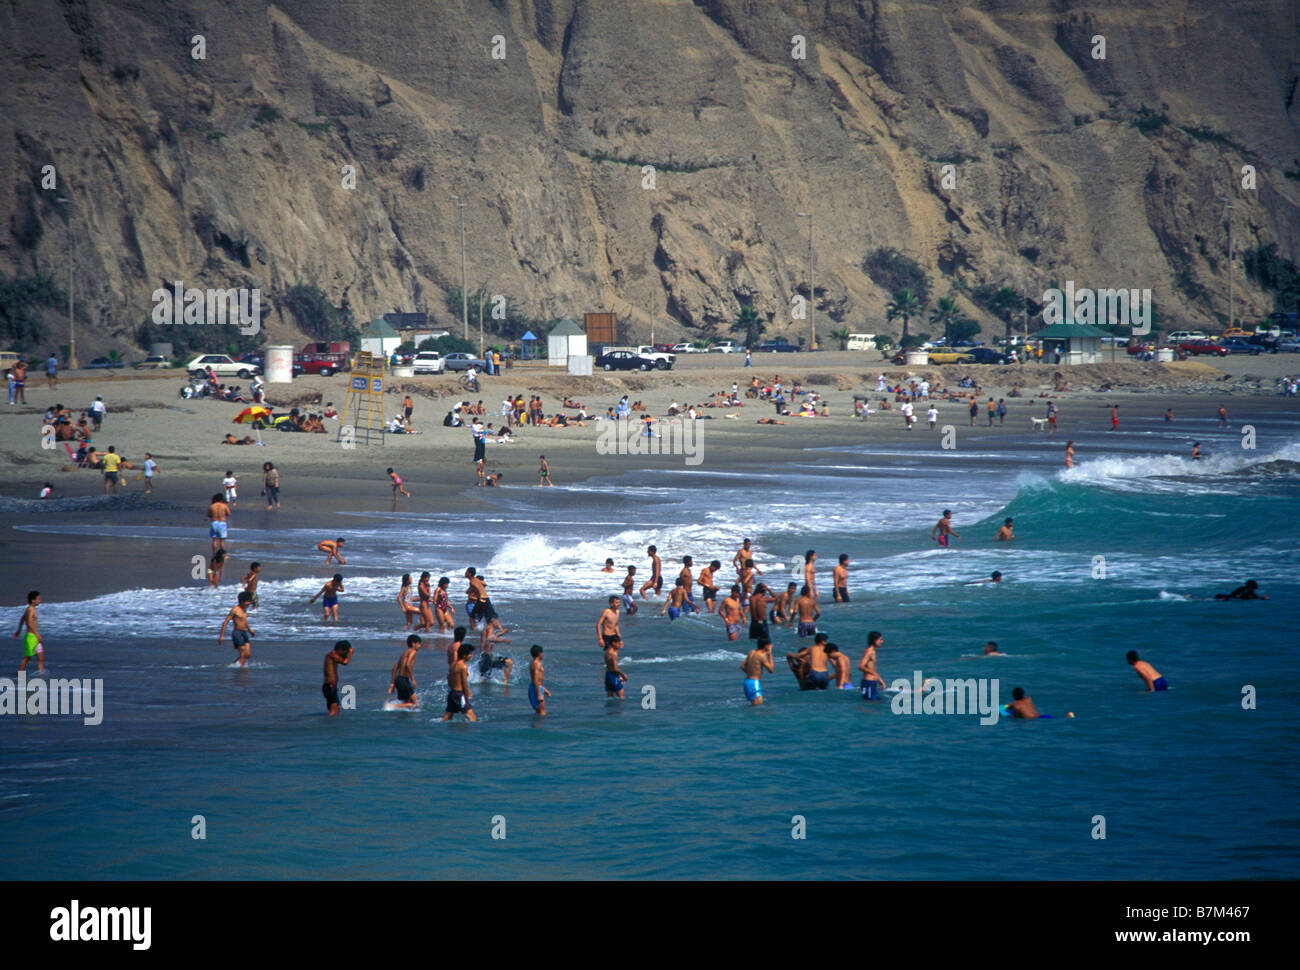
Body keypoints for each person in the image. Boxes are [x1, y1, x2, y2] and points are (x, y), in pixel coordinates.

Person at [219, 590, 256, 666]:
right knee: (243, 653)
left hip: (245, 632)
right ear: (242, 601)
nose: (249, 603)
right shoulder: (235, 610)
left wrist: (250, 630)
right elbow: (225, 622)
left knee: (247, 655)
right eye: (248, 601)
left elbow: (244, 621)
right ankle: (241, 670)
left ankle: (234, 665)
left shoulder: (244, 610)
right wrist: (221, 636)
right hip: (237, 633)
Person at [388, 635, 423, 708]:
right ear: (413, 643)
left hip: (398, 679)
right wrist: (413, 679)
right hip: (404, 680)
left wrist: (392, 684)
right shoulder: (413, 652)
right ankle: (392, 706)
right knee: (415, 705)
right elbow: (407, 665)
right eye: (419, 644)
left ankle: (395, 706)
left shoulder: (404, 653)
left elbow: (394, 669)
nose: (420, 646)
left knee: (405, 702)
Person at [14, 591, 44, 674]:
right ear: (32, 600)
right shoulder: (30, 610)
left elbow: (22, 619)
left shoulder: (31, 609)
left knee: (41, 658)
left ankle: (41, 675)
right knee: (27, 657)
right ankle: (20, 675)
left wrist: (18, 631)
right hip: (31, 637)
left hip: (34, 637)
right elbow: (30, 622)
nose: (40, 601)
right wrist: (37, 635)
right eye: (38, 599)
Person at [322, 641, 353, 716]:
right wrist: (351, 653)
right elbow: (345, 662)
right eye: (345, 652)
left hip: (331, 686)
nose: (346, 654)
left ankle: (330, 724)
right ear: (340, 650)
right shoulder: (332, 655)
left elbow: (343, 659)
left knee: (336, 708)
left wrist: (348, 652)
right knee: (334, 709)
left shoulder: (332, 656)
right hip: (330, 685)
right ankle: (328, 725)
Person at [741, 638, 774, 705]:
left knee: (754, 706)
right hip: (754, 683)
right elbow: (771, 670)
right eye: (770, 645)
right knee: (758, 707)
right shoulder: (761, 656)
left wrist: (751, 673)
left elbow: (742, 666)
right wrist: (770, 654)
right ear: (766, 646)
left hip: (747, 682)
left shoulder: (751, 652)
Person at [858, 631, 886, 700]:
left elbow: (873, 670)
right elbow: (861, 666)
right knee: (870, 705)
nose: (882, 641)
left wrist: (880, 681)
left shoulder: (873, 651)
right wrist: (873, 673)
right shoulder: (869, 651)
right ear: (874, 640)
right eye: (880, 639)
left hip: (872, 683)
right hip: (868, 683)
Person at [528, 645, 551, 715]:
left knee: (539, 711)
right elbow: (535, 680)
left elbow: (537, 680)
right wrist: (539, 694)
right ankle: (541, 726)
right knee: (542, 711)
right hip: (536, 689)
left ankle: (537, 725)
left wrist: (544, 689)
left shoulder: (533, 663)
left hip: (535, 687)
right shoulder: (537, 664)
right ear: (539, 653)